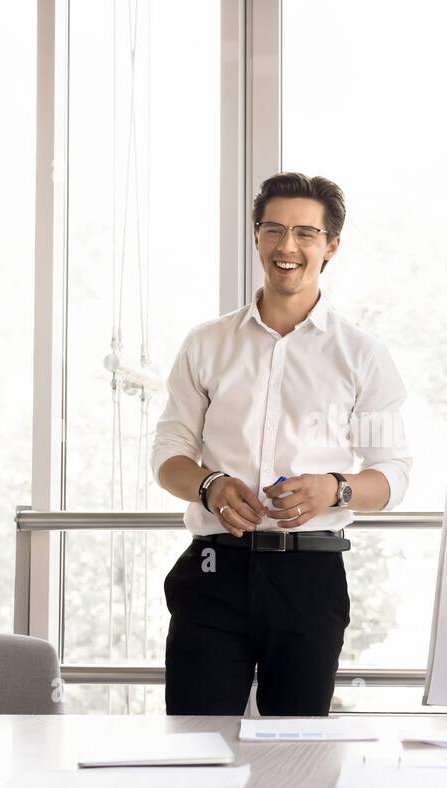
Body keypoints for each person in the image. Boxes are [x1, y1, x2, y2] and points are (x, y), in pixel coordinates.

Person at [152, 172, 412, 716]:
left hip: (310, 580)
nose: (287, 247)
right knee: (199, 746)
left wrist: (335, 489)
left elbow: (393, 474)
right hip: (212, 572)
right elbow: (169, 454)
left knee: (298, 756)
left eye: (305, 233)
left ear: (330, 246)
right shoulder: (207, 344)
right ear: (256, 237)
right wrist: (209, 485)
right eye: (273, 230)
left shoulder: (361, 354)